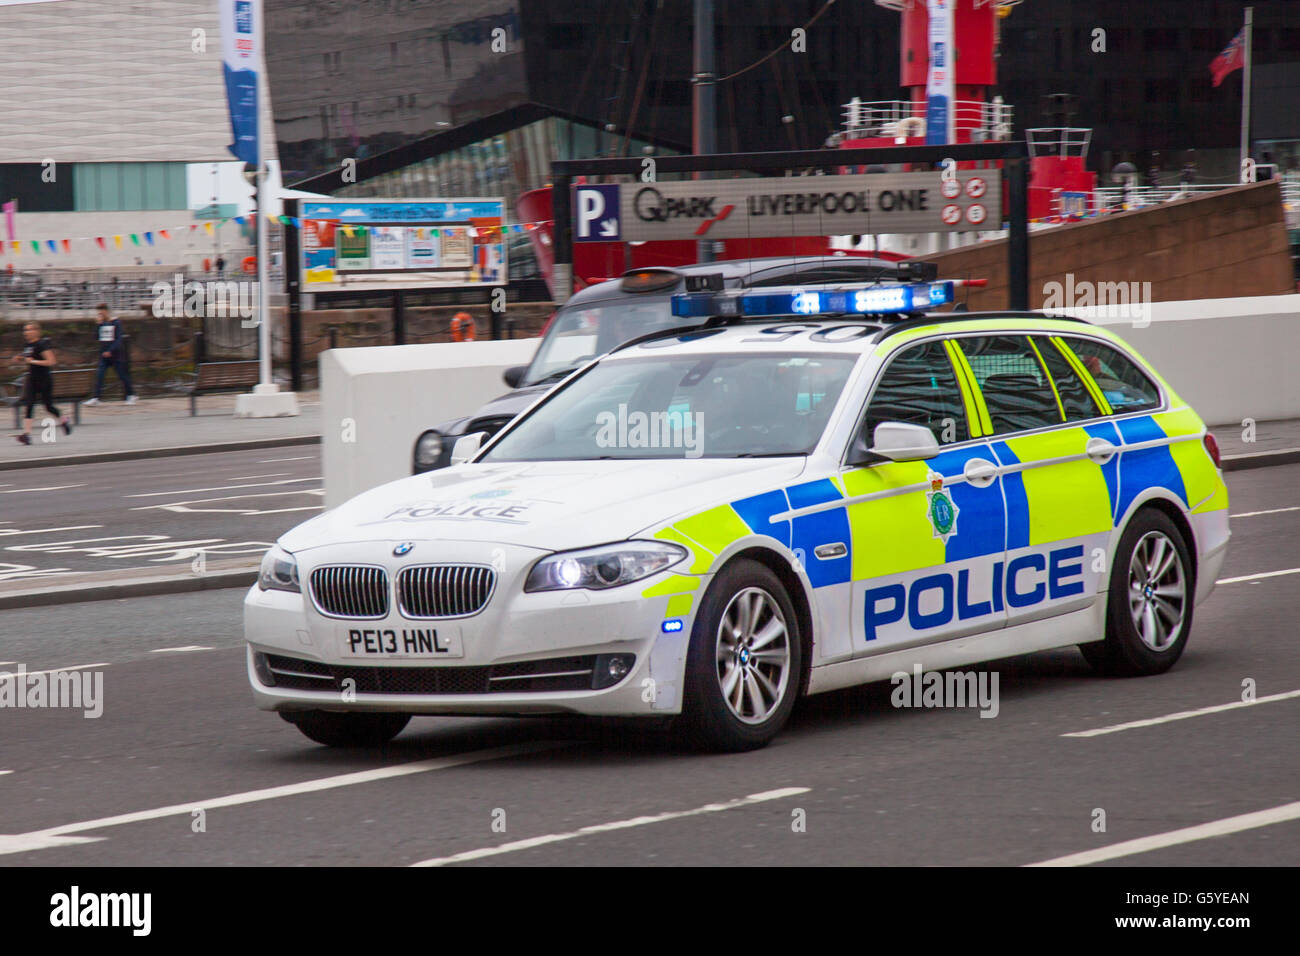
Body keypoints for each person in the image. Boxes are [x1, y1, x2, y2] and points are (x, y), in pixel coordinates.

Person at [9, 322, 71, 445]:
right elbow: (28, 356)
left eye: (29, 330)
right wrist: (20, 357)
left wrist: (33, 361)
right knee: (29, 405)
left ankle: (63, 420)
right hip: (32, 378)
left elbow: (51, 361)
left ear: (37, 331)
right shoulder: (28, 345)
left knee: (48, 407)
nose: (26, 332)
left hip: (44, 379)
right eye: (25, 330)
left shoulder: (42, 344)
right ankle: (26, 435)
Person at [84, 303, 137, 406]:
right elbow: (96, 337)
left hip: (116, 355)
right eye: (98, 313)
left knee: (122, 375)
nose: (100, 315)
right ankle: (96, 398)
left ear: (107, 311)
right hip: (104, 355)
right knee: (99, 376)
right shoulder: (101, 323)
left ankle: (131, 395)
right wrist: (98, 325)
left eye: (101, 313)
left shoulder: (116, 322)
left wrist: (111, 350)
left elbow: (118, 339)